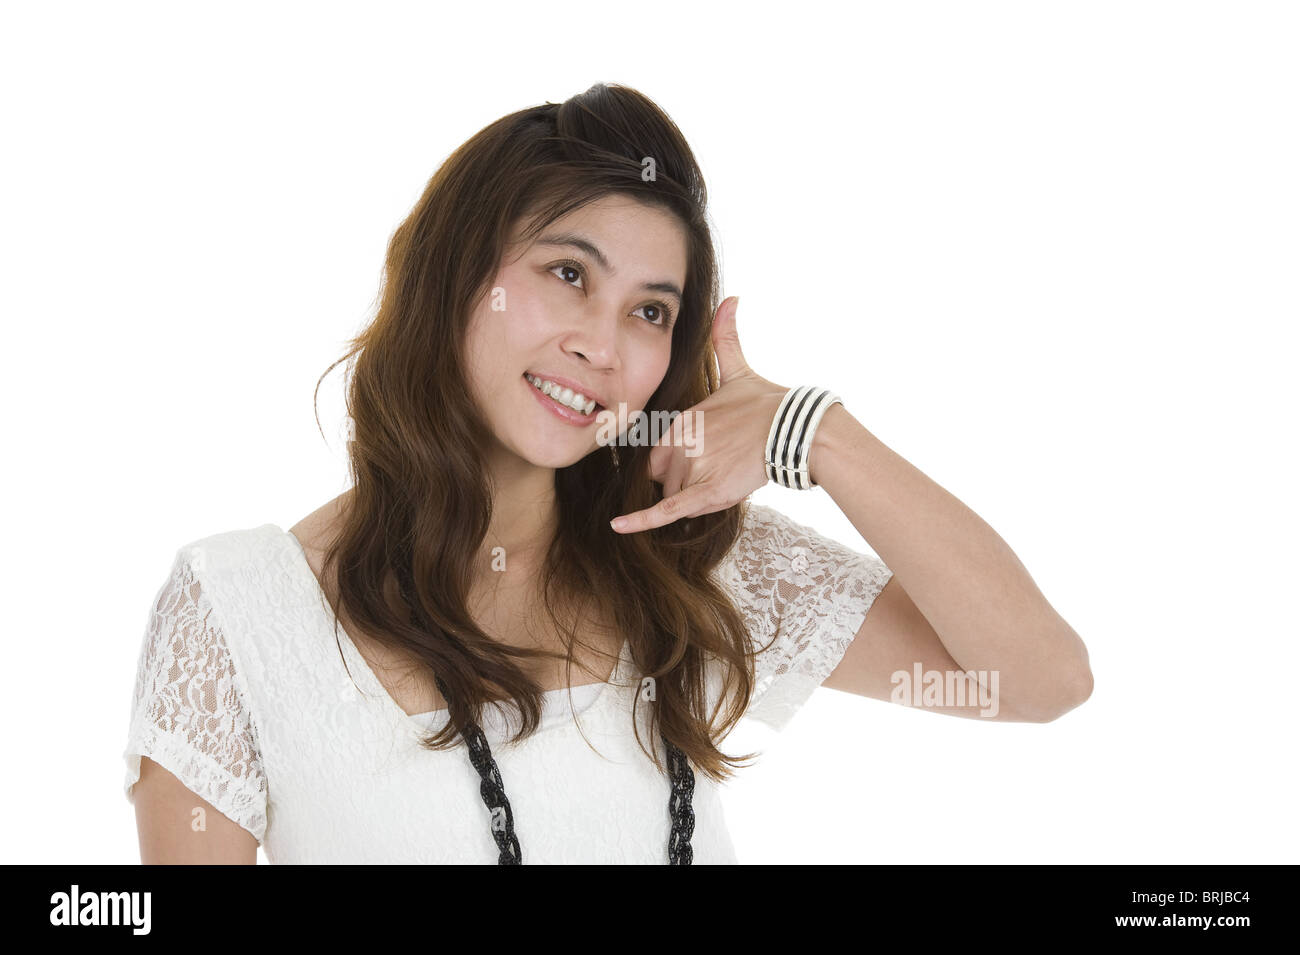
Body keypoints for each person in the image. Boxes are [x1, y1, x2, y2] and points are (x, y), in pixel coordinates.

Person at [123, 83, 1093, 864]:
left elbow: (1036, 681)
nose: (601, 343)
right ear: (458, 277)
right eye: (569, 274)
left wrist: (818, 434)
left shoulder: (691, 559)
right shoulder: (241, 609)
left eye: (650, 311)